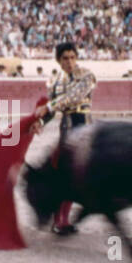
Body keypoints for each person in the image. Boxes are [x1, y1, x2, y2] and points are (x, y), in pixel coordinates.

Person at [32, 40, 97, 235]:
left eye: (72, 57)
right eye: (65, 58)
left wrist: (49, 107)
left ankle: (65, 218)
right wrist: (41, 123)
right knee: (64, 173)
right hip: (67, 128)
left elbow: (75, 97)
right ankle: (61, 220)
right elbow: (52, 110)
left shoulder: (87, 75)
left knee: (83, 172)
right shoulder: (54, 81)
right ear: (58, 61)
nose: (69, 62)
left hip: (84, 126)